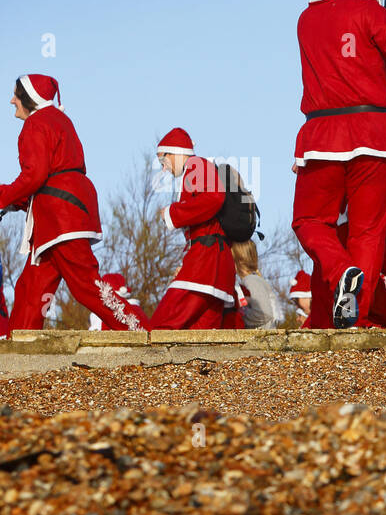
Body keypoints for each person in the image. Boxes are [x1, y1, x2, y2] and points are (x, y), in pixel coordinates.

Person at [292, 0, 386, 329]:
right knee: (367, 232)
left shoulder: (306, 18)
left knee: (310, 221)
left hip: (321, 133)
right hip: (374, 131)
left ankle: (341, 269)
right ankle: (357, 316)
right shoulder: (368, 11)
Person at [0, 75, 147, 331]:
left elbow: (35, 175)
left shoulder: (36, 123)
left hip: (60, 218)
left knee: (85, 285)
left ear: (29, 98)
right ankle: (20, 345)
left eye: (16, 95)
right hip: (62, 214)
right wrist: (15, 201)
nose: (12, 100)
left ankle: (138, 329)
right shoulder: (60, 121)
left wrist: (4, 196)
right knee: (31, 289)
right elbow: (52, 174)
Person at [150, 128, 239, 329]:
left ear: (174, 153)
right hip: (217, 266)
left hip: (204, 264)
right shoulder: (197, 169)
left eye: (162, 161)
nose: (163, 169)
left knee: (160, 327)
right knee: (201, 339)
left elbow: (214, 197)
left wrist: (172, 213)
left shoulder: (196, 165)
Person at [230, 240, 284, 329]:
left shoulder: (251, 281)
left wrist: (238, 319)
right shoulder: (252, 280)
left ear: (237, 260)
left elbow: (263, 314)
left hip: (262, 338)